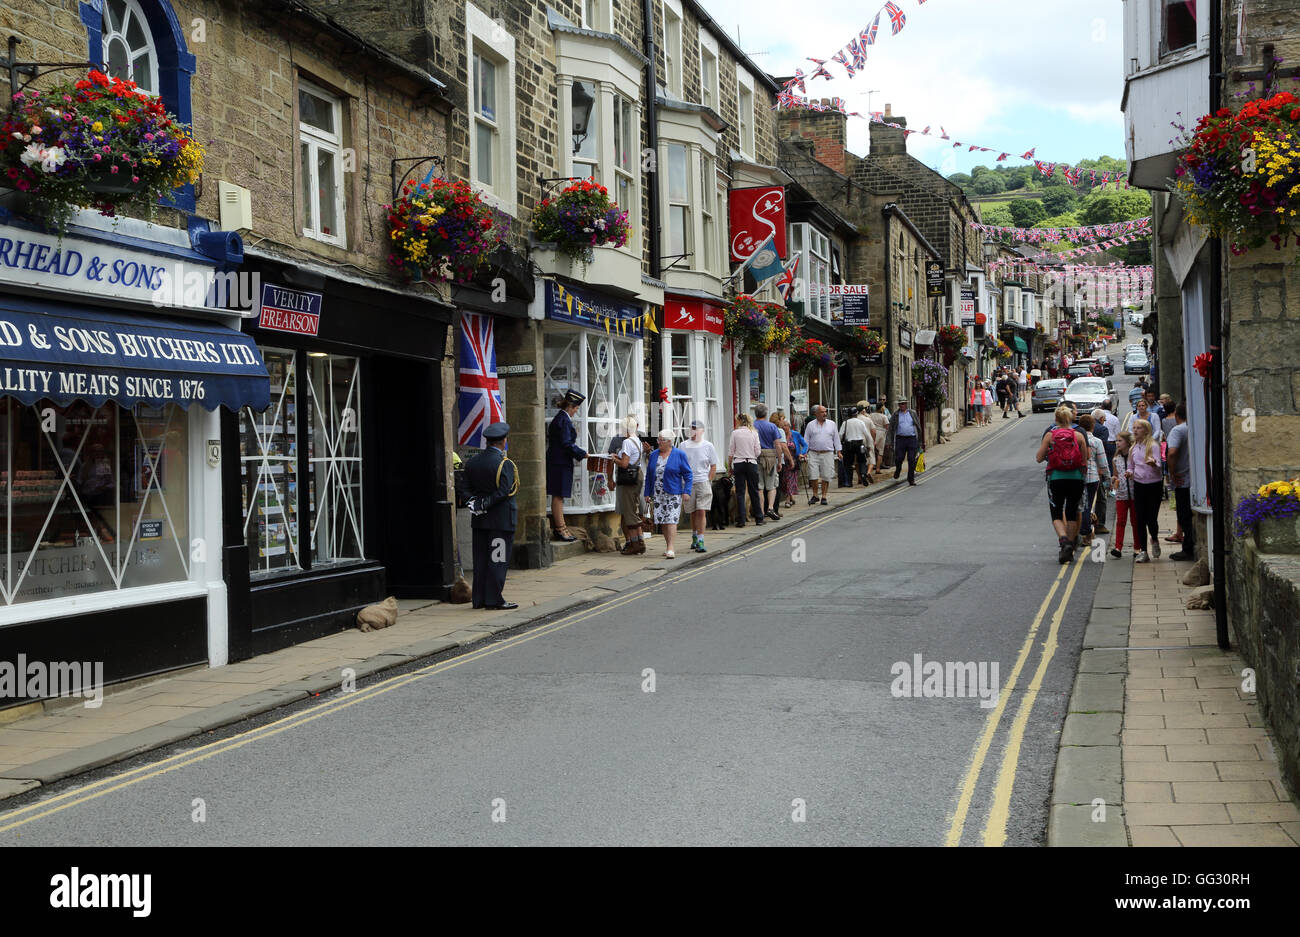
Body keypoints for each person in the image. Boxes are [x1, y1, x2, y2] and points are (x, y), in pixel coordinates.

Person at [465, 422, 519, 610]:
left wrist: (475, 503)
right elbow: (505, 491)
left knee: (480, 561)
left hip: (479, 520)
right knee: (498, 560)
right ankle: (494, 599)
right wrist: (486, 503)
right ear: (503, 441)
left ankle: (478, 599)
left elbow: (464, 490)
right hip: (500, 522)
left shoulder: (472, 462)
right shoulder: (505, 464)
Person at [1036, 405, 1088, 564]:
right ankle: (1070, 549)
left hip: (1056, 478)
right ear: (1071, 418)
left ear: (1056, 419)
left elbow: (1039, 458)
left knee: (1056, 512)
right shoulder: (1078, 436)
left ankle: (1063, 541)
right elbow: (1085, 460)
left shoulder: (1050, 436)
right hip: (1076, 478)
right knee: (1072, 511)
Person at [642, 429, 693, 559]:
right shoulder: (654, 455)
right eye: (658, 439)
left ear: (670, 442)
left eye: (661, 440)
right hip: (658, 493)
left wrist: (686, 491)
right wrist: (647, 493)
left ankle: (671, 547)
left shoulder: (679, 454)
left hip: (673, 493)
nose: (658, 442)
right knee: (663, 521)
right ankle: (667, 545)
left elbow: (688, 474)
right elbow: (649, 476)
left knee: (671, 520)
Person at [545, 390, 588, 542]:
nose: (576, 410)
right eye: (576, 408)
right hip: (559, 462)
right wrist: (582, 453)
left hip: (559, 461)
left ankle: (561, 527)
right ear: (571, 406)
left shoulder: (562, 419)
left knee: (559, 495)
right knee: (558, 495)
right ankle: (560, 528)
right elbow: (566, 443)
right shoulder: (563, 420)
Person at [1127, 418, 1164, 563]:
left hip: (1154, 485)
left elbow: (1160, 464)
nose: (1135, 430)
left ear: (1146, 431)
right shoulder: (1133, 448)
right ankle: (1143, 551)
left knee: (1151, 518)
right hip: (1139, 485)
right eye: (1134, 428)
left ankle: (1154, 539)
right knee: (1139, 519)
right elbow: (1131, 466)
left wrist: (1153, 463)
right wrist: (1130, 472)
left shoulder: (1153, 445)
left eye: (1139, 428)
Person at [679, 419, 719, 553]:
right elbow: (679, 464)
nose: (694, 432)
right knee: (693, 511)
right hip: (688, 483)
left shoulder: (708, 446)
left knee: (701, 511)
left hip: (703, 482)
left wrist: (709, 480)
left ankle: (701, 540)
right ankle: (694, 535)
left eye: (696, 429)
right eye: (692, 429)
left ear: (702, 431)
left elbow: (713, 465)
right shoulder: (683, 445)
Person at [611, 414, 646, 556]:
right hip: (638, 475)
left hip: (628, 478)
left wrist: (615, 459)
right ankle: (640, 541)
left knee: (629, 511)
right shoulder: (637, 440)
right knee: (634, 509)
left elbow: (625, 464)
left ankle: (635, 544)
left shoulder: (627, 442)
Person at [1166, 404, 1195, 562]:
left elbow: (1172, 452)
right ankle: (1190, 545)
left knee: (1184, 516)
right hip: (1193, 479)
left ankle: (1187, 549)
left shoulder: (1177, 430)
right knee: (1189, 516)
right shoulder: (1192, 427)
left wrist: (1172, 472)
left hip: (1182, 480)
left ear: (1177, 414)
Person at [1077, 413, 1111, 547]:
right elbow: (1103, 463)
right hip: (1091, 478)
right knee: (1087, 505)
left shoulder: (1075, 439)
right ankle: (1085, 534)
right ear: (1093, 426)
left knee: (1079, 505)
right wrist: (1108, 479)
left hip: (1077, 477)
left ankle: (1079, 533)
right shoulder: (1096, 441)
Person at [753, 404, 790, 519]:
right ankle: (770, 508)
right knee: (772, 485)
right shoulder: (772, 427)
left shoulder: (752, 426)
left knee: (760, 486)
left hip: (757, 456)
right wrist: (779, 461)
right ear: (765, 413)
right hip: (770, 456)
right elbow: (778, 445)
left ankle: (761, 512)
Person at [728, 413, 764, 526]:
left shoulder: (735, 433)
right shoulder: (754, 433)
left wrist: (729, 466)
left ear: (739, 421)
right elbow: (758, 451)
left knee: (740, 492)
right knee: (754, 490)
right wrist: (751, 454)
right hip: (751, 463)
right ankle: (759, 518)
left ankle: (741, 519)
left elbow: (731, 451)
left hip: (739, 463)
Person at [1109, 431, 1141, 559]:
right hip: (1121, 495)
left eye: (1120, 441)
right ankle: (1118, 547)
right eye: (1116, 441)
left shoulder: (1134, 457)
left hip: (1134, 494)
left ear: (1128, 442)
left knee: (1135, 522)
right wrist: (1113, 479)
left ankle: (1137, 548)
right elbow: (1116, 475)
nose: (1117, 443)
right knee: (1120, 521)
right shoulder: (1115, 459)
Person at [803, 404, 841, 505]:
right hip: (813, 453)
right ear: (816, 414)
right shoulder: (810, 425)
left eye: (825, 412)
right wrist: (804, 453)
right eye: (822, 412)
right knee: (813, 475)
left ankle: (824, 496)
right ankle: (815, 495)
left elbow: (836, 439)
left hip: (827, 453)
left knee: (826, 475)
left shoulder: (832, 424)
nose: (824, 414)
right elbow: (806, 440)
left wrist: (839, 451)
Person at [888, 397, 922, 486]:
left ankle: (911, 479)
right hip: (900, 439)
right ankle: (898, 470)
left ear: (906, 404)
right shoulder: (895, 415)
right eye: (900, 404)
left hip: (912, 439)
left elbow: (918, 427)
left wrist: (920, 442)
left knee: (912, 459)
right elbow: (891, 429)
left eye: (903, 403)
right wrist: (889, 442)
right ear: (898, 405)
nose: (902, 405)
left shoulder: (913, 413)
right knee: (899, 458)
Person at [1090, 408, 1114, 536]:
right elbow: (1103, 449)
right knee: (1101, 498)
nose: (1104, 422)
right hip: (1097, 470)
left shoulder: (1080, 431)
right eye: (1104, 420)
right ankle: (1099, 525)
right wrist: (1107, 475)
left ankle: (1084, 526)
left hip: (1083, 470)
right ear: (1100, 419)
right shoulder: (1103, 430)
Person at [775, 411, 803, 508]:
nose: (784, 427)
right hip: (783, 461)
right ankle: (791, 497)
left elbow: (805, 445)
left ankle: (787, 500)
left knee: (789, 480)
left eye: (786, 425)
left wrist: (801, 453)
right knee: (784, 481)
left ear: (789, 426)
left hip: (792, 460)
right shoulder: (780, 433)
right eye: (784, 425)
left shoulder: (795, 434)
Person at [840, 406, 873, 486]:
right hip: (859, 444)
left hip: (849, 445)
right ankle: (862, 474)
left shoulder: (845, 423)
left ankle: (849, 482)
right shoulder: (860, 422)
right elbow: (867, 435)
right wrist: (869, 446)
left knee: (848, 463)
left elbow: (840, 435)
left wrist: (839, 445)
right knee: (862, 461)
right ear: (856, 414)